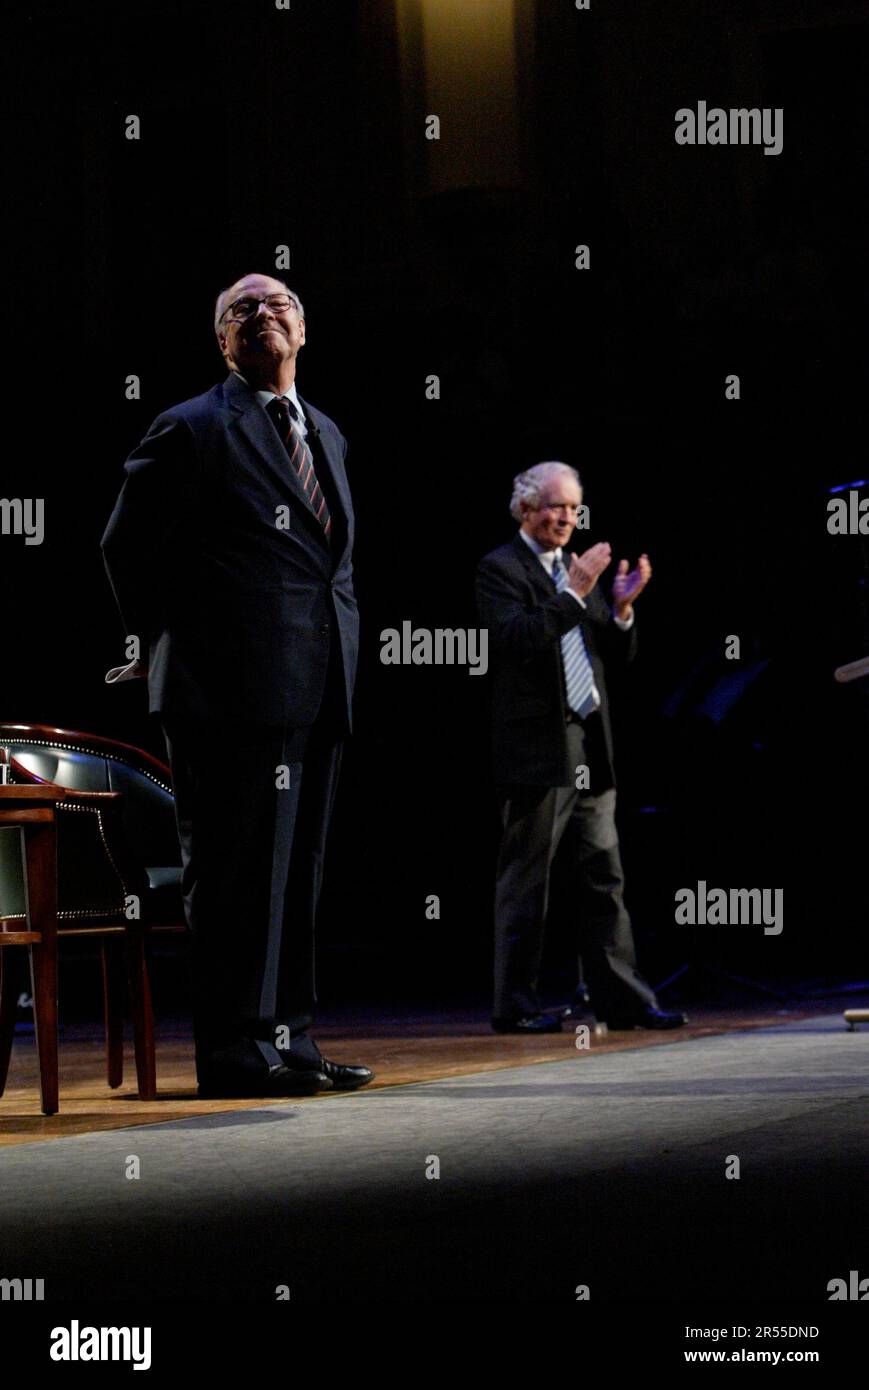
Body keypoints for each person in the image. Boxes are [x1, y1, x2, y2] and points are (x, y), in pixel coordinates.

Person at [102, 272, 373, 1096]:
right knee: (232, 875)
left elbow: (329, 564)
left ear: (305, 330)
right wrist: (166, 639)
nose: (262, 314)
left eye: (279, 303)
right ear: (222, 341)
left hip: (319, 680)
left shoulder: (322, 427)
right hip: (227, 690)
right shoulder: (189, 426)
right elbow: (124, 544)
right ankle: (233, 1053)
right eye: (240, 309)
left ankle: (288, 1041)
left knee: (295, 871)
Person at [475, 461, 686, 1034]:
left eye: (573, 508)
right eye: (555, 506)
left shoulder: (575, 570)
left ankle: (624, 1001)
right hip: (537, 751)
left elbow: (610, 658)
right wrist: (573, 594)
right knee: (528, 883)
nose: (567, 518)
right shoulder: (501, 569)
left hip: (591, 746)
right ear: (525, 508)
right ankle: (515, 1007)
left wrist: (619, 610)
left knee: (604, 878)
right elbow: (514, 642)